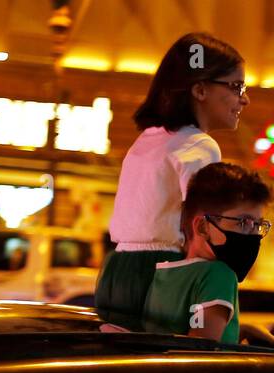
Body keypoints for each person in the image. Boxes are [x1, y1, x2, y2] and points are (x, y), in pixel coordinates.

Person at [95, 32, 248, 328]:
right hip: (163, 273)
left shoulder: (147, 140)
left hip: (117, 271)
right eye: (236, 86)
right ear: (200, 90)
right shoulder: (200, 145)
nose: (245, 98)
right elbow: (205, 230)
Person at [141, 162, 273, 344]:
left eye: (258, 225)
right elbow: (201, 350)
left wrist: (242, 331)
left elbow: (178, 332)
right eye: (244, 223)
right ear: (202, 226)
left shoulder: (164, 271)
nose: (253, 236)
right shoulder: (220, 275)